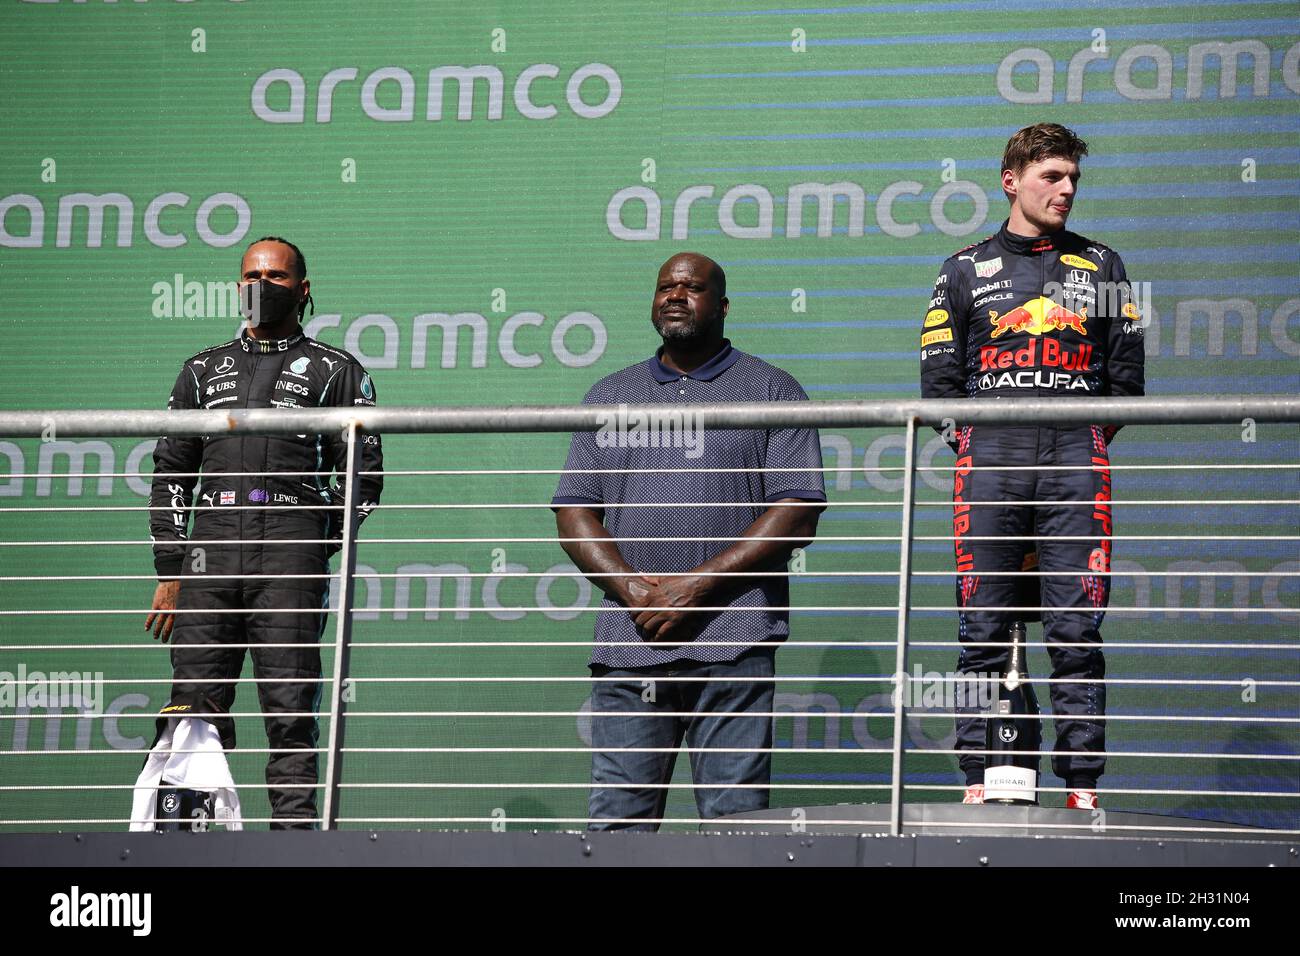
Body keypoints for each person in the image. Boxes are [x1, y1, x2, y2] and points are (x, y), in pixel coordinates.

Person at [553, 252, 825, 830]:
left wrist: (695, 587)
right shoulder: (610, 394)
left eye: (692, 288)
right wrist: (636, 590)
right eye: (665, 288)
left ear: (722, 307)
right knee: (616, 832)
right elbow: (574, 511)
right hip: (631, 648)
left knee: (735, 831)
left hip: (734, 644)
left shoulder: (771, 389)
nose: (676, 296)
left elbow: (798, 511)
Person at [919, 123, 1146, 809]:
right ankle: (977, 784)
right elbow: (939, 387)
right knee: (981, 629)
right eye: (1053, 176)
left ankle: (1082, 788)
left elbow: (1127, 384)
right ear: (1011, 180)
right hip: (988, 464)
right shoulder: (961, 269)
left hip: (1077, 460)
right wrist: (988, 451)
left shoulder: (1104, 266)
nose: (1067, 189)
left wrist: (1072, 438)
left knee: (1075, 631)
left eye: (1074, 177)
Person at [144, 236, 383, 828]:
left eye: (275, 277)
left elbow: (363, 479)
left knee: (289, 711)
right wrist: (172, 569)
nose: (260, 285)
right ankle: (183, 843)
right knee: (189, 713)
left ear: (303, 291)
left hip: (289, 546)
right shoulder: (201, 369)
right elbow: (172, 471)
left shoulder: (336, 369)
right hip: (210, 548)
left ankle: (293, 851)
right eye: (250, 275)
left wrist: (312, 538)